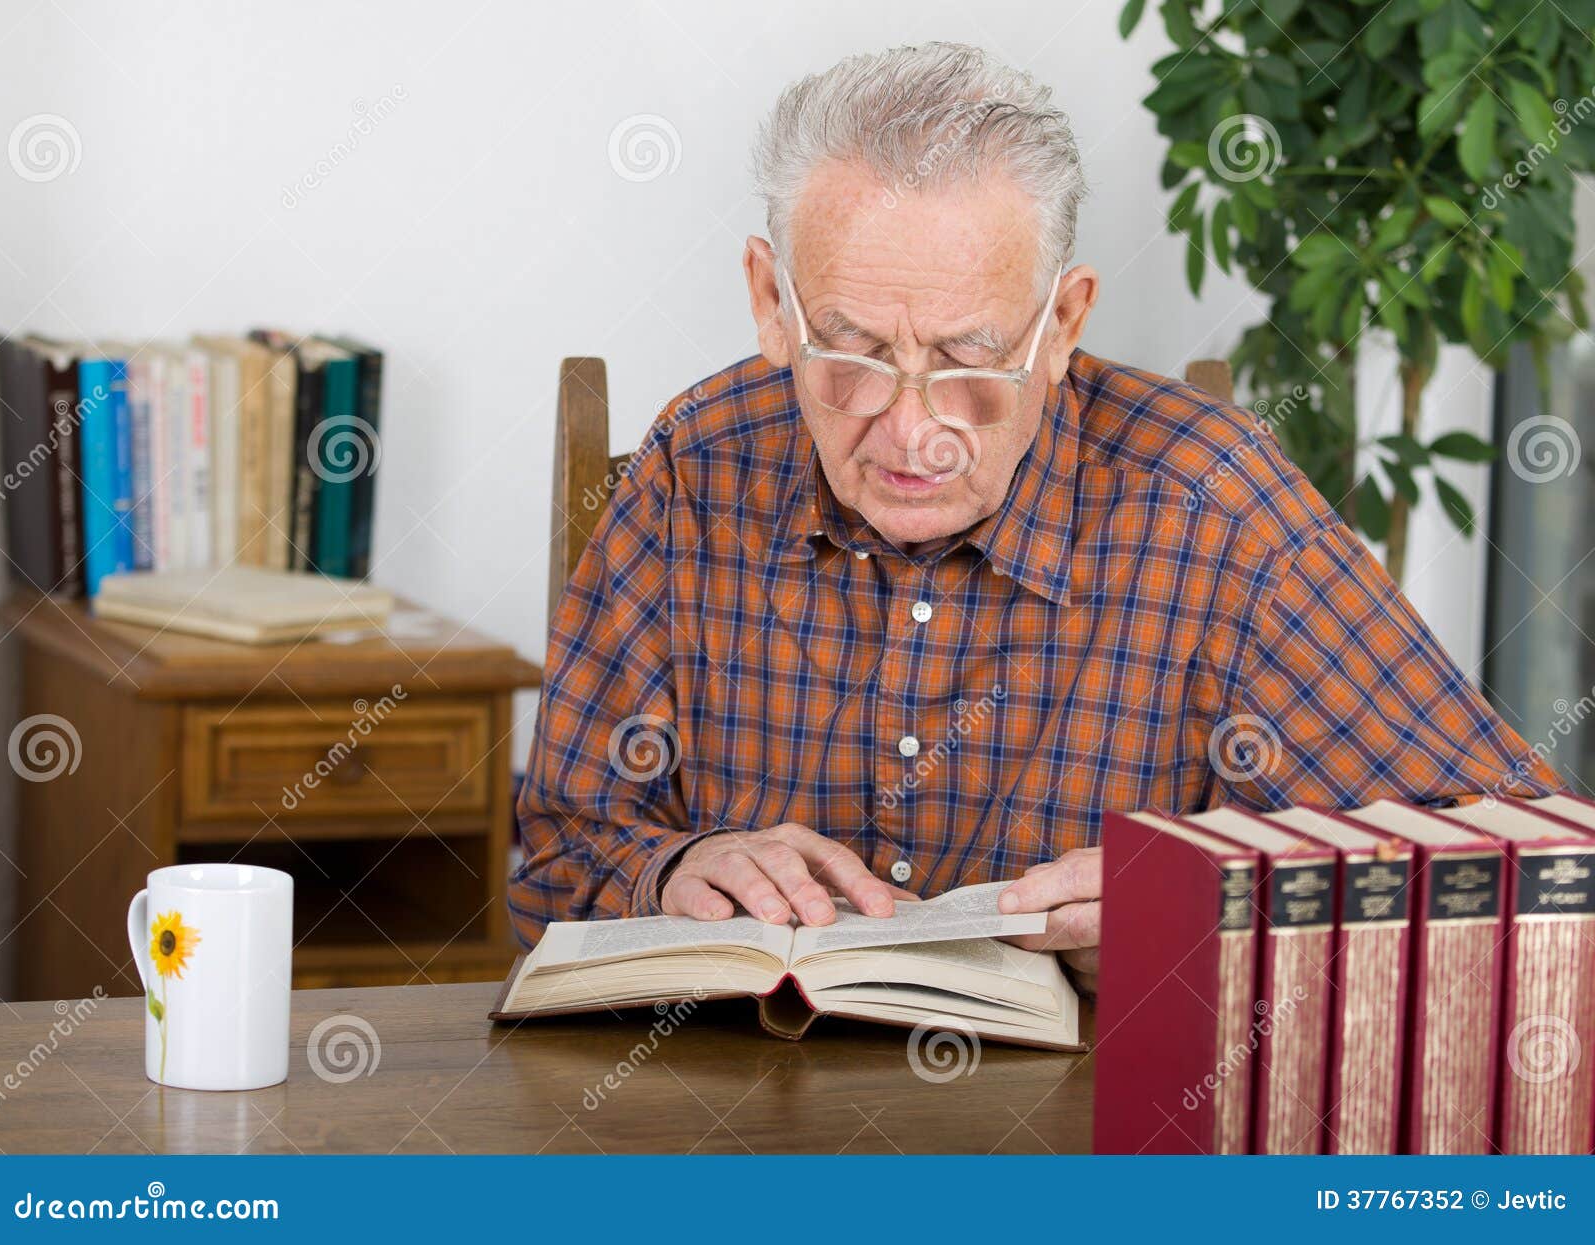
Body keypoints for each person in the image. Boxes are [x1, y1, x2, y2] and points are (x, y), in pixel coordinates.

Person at [510, 43, 1558, 995]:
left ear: (1061, 323)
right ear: (770, 304)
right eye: (852, 351)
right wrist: (674, 867)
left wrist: (1214, 907)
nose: (911, 431)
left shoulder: (1209, 504)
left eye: (969, 360)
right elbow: (555, 857)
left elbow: (1526, 869)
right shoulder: (697, 465)